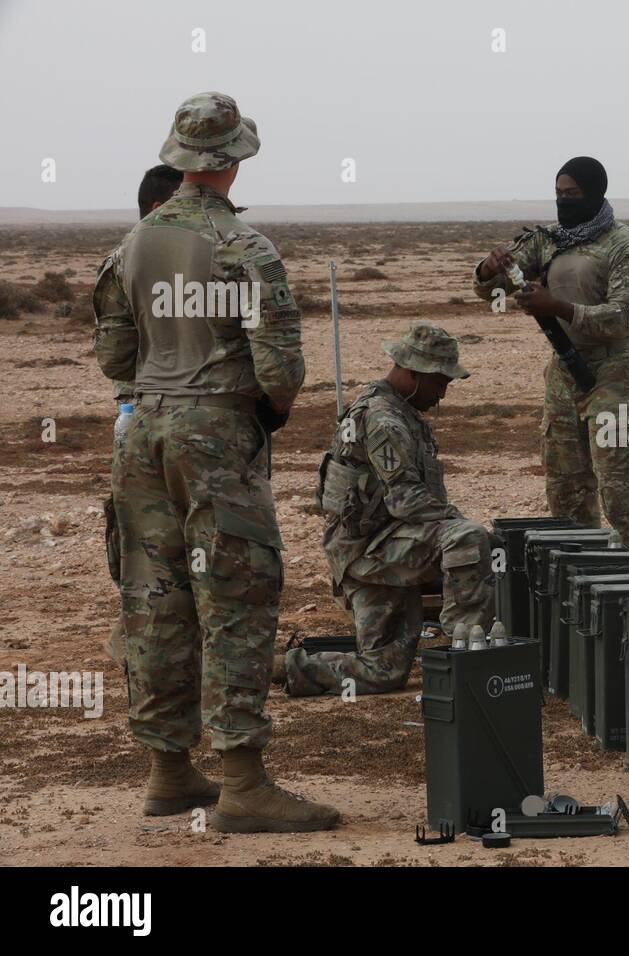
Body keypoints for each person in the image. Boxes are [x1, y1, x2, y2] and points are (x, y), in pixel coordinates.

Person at [93, 91, 338, 832]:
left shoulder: (130, 246)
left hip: (145, 436)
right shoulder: (245, 250)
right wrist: (261, 412)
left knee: (156, 599)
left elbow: (114, 357)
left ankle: (169, 770)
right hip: (216, 434)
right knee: (235, 596)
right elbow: (282, 370)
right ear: (233, 160)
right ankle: (242, 782)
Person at [282, 322, 494, 696]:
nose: (443, 393)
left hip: (387, 543)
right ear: (414, 372)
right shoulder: (384, 419)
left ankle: (286, 669)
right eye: (439, 382)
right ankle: (468, 654)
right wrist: (464, 526)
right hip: (368, 552)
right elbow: (406, 501)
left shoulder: (397, 410)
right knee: (468, 538)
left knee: (383, 671)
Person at [473, 158, 629, 559]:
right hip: (563, 373)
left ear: (594, 194)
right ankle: (580, 576)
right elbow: (491, 289)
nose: (563, 202)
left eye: (571, 195)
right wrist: (488, 269)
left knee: (617, 485)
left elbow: (624, 316)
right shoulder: (550, 240)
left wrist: (557, 306)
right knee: (565, 486)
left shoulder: (627, 247)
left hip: (612, 374)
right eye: (558, 194)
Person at [103, 164, 185, 669]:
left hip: (157, 416)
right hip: (150, 415)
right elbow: (118, 356)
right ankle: (137, 637)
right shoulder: (139, 264)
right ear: (158, 210)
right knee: (153, 532)